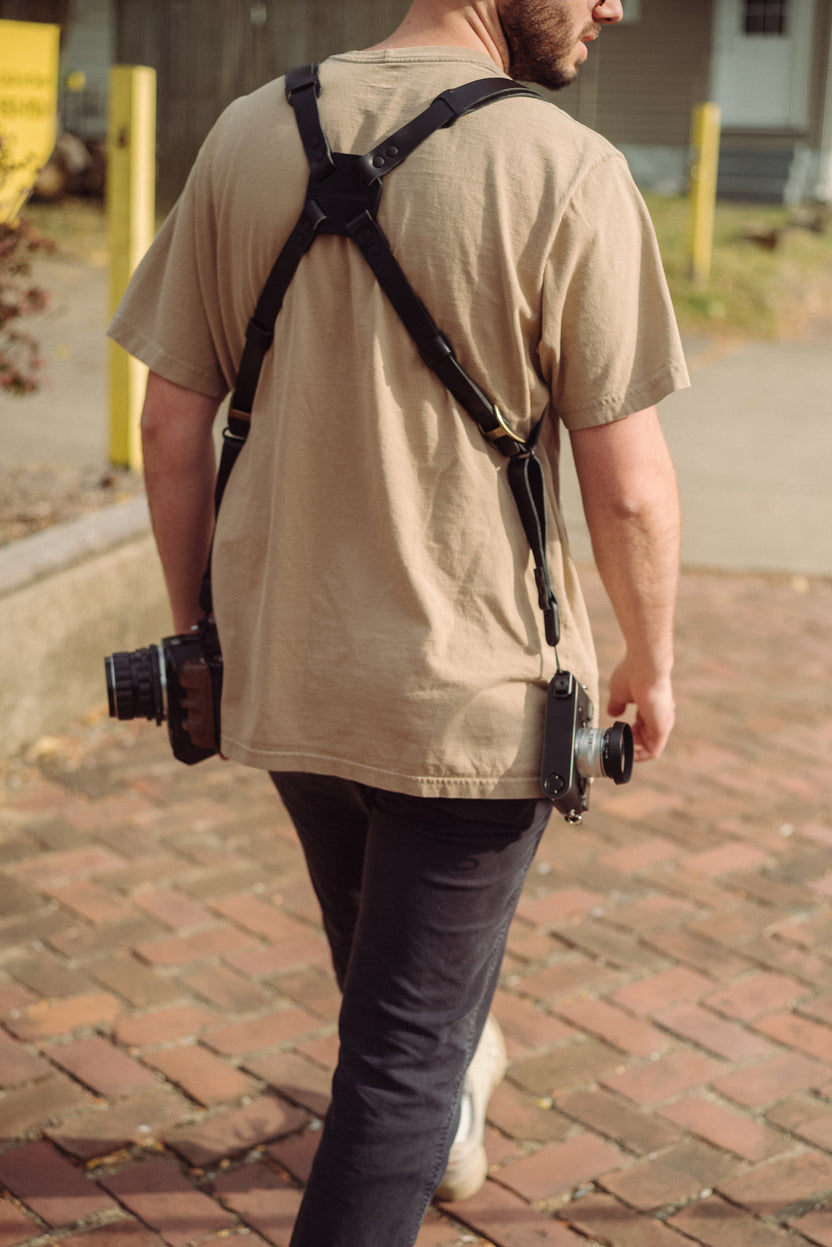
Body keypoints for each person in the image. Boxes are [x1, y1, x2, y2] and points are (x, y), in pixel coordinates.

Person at [109, 1, 687, 1243]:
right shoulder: (566, 167)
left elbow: (169, 423)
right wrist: (652, 657)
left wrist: (201, 632)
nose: (614, 8)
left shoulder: (249, 132)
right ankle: (440, 1101)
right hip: (477, 698)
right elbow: (629, 483)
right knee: (394, 1071)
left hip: (289, 671)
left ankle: (451, 1088)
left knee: (380, 964)